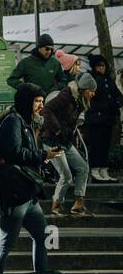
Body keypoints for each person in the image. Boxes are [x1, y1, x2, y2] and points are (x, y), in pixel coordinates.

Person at [0, 85, 61, 274]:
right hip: (15, 193)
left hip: (28, 193)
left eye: (41, 100)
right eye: (37, 101)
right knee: (5, 241)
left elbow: (24, 154)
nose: (40, 105)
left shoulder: (25, 122)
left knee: (43, 236)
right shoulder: (13, 121)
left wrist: (43, 157)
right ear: (25, 101)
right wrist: (42, 154)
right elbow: (14, 153)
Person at [42, 71, 97, 217]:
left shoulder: (79, 100)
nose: (93, 94)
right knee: (66, 175)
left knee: (83, 168)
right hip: (53, 142)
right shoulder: (66, 96)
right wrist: (58, 130)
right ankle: (56, 205)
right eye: (91, 91)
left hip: (65, 142)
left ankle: (78, 205)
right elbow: (46, 109)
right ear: (84, 89)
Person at [85, 54, 121, 182]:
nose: (102, 68)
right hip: (95, 119)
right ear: (94, 67)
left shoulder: (108, 80)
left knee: (105, 145)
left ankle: (104, 170)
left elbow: (117, 95)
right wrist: (102, 107)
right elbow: (89, 98)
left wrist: (116, 104)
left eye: (103, 66)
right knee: (96, 145)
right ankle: (95, 170)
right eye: (99, 66)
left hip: (107, 119)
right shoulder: (91, 79)